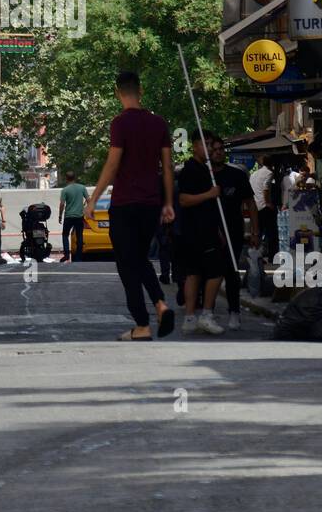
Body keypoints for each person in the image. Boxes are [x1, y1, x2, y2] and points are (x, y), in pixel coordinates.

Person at [84, 71, 175, 341]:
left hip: (125, 204)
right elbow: (167, 167)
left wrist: (93, 199)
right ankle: (159, 305)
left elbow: (113, 164)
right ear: (141, 91)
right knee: (139, 258)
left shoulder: (119, 123)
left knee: (127, 264)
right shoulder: (159, 123)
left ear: (117, 93)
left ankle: (143, 325)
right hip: (151, 205)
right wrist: (168, 202)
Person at [177, 131, 227, 336]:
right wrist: (210, 194)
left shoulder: (205, 169)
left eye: (210, 144)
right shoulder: (191, 170)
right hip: (198, 229)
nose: (208, 148)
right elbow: (184, 200)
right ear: (195, 146)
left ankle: (190, 317)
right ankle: (205, 314)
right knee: (215, 271)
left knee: (194, 272)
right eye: (204, 144)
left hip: (204, 227)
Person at [208, 137, 259, 330]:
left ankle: (234, 311)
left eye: (221, 149)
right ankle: (208, 311)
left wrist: (255, 231)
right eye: (215, 150)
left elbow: (251, 204)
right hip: (209, 232)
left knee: (231, 272)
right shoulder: (203, 175)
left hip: (233, 231)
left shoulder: (236, 175)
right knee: (211, 273)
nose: (219, 152)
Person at [250, 154, 278, 260]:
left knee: (258, 232)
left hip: (255, 206)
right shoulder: (269, 173)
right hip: (264, 206)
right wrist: (268, 203)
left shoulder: (254, 174)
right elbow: (266, 188)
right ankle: (272, 256)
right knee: (272, 233)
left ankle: (256, 255)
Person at [58, 170, 88, 262]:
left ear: (66, 179)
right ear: (75, 178)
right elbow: (89, 199)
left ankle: (66, 254)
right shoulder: (82, 188)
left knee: (65, 235)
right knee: (79, 236)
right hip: (79, 216)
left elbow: (62, 204)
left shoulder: (65, 190)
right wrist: (87, 210)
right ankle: (79, 257)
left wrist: (60, 216)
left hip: (69, 217)